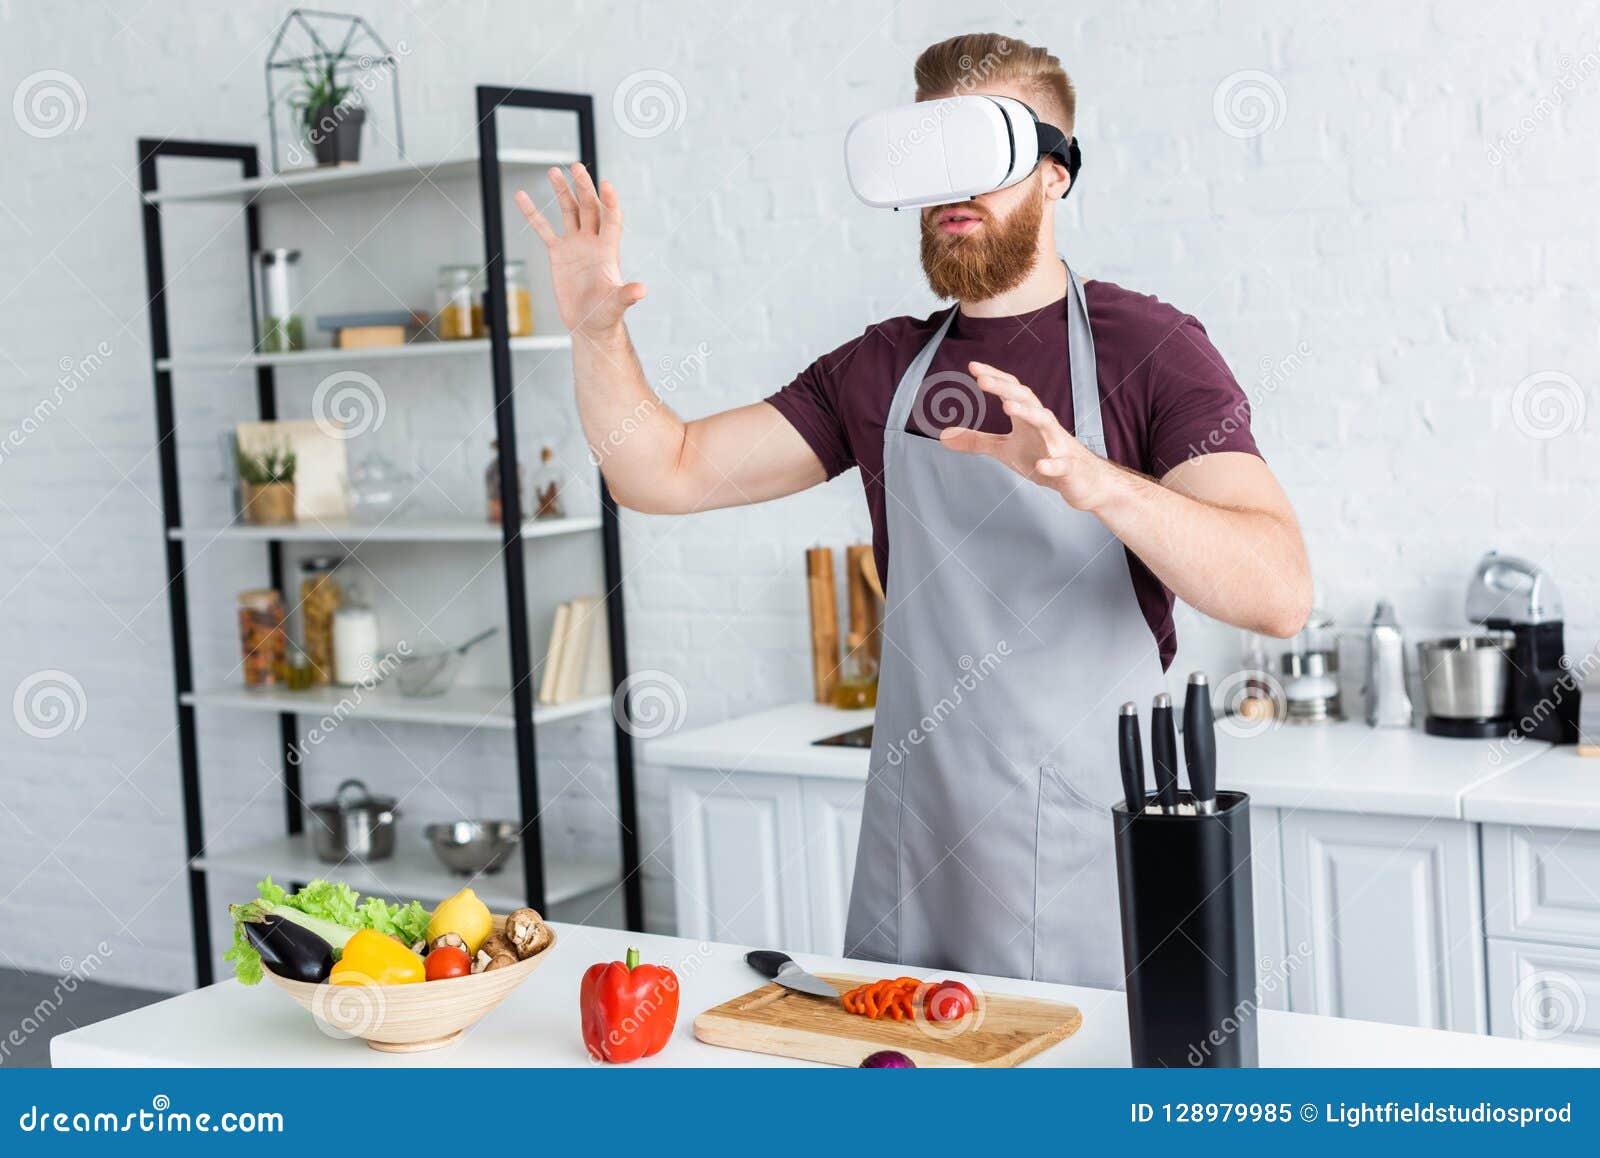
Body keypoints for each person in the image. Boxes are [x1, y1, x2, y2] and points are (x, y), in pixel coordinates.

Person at [516, 33, 1312, 987]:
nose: (955, 189)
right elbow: (662, 472)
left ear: (1056, 172)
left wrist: (1090, 477)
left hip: (1090, 858)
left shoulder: (1152, 348)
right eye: (933, 158)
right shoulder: (882, 366)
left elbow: (1278, 593)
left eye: (985, 153)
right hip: (919, 852)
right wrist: (595, 334)